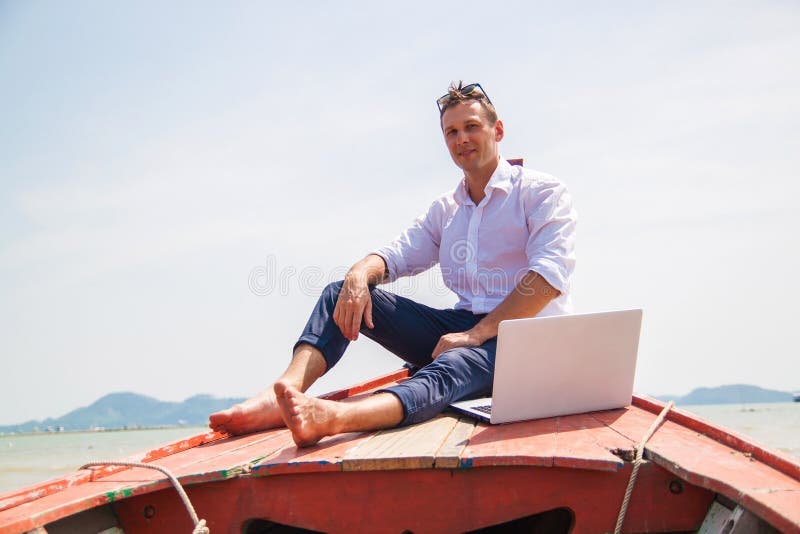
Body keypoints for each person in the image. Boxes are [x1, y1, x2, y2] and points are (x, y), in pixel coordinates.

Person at [209, 82, 576, 448]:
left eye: (472, 127)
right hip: (463, 328)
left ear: (497, 131)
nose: (462, 138)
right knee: (342, 293)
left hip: (523, 338)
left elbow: (547, 278)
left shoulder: (541, 192)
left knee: (453, 365)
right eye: (452, 132)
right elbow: (396, 256)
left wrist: (477, 335)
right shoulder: (446, 209)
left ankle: (333, 418)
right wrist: (358, 274)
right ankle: (284, 393)